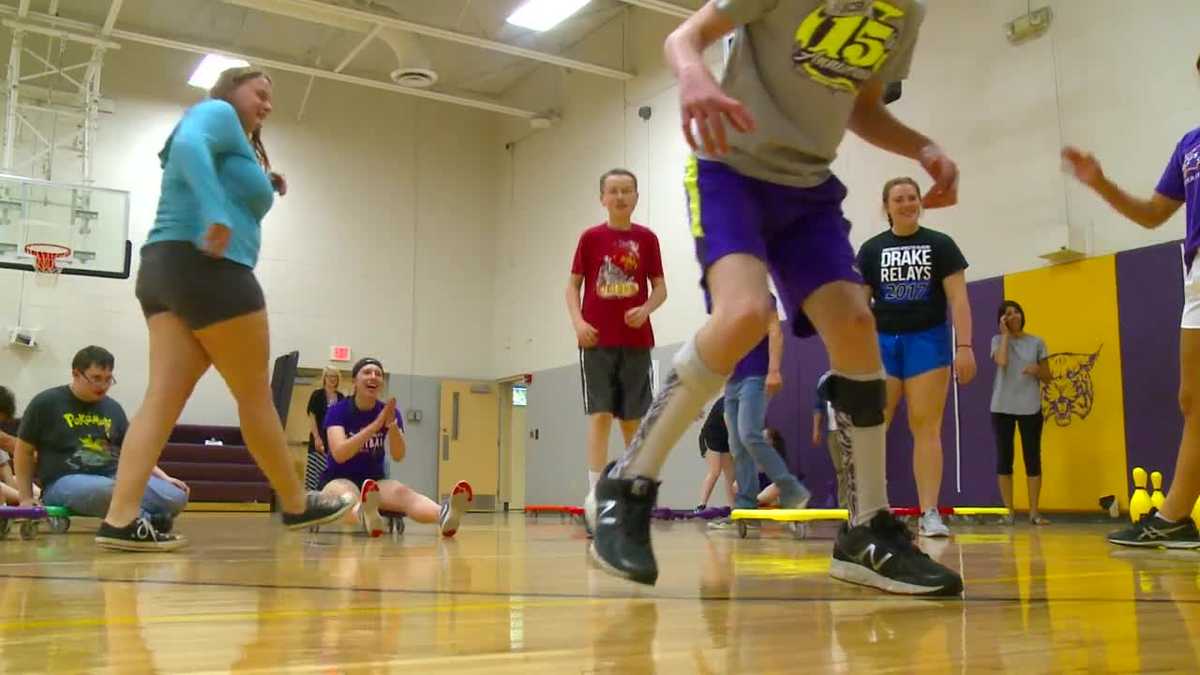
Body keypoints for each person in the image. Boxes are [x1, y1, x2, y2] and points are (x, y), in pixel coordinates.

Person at [588, 0, 964, 596]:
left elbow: (862, 109)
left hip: (808, 188)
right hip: (729, 172)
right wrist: (693, 76)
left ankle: (866, 531)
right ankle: (627, 485)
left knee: (856, 324)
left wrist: (923, 148)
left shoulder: (905, 13)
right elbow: (686, 37)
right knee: (745, 313)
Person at [97, 66, 353, 551]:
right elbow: (193, 148)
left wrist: (264, 182)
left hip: (162, 270)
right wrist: (216, 210)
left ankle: (120, 519)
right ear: (229, 91)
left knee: (162, 400)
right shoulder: (213, 113)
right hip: (212, 271)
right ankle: (297, 504)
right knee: (255, 396)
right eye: (259, 93)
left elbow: (202, 159)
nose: (267, 104)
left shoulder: (230, 139)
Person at [1063, 51, 1200, 548]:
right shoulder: (1190, 143)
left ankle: (1173, 515)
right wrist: (1100, 183)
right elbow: (1151, 214)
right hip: (1196, 274)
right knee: (1193, 399)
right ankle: (1175, 520)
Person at [858, 176, 975, 537]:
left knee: (926, 427)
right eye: (899, 199)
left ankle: (929, 513)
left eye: (912, 197)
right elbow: (860, 305)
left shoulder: (941, 245)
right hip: (881, 343)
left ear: (919, 202)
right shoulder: (871, 249)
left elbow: (958, 299)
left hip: (928, 340)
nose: (907, 203)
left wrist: (965, 347)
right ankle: (871, 512)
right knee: (875, 428)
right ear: (886, 206)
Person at [566, 169, 667, 504]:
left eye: (627, 190)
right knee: (600, 415)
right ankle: (595, 494)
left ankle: (634, 491)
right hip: (596, 340)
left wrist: (647, 308)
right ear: (603, 199)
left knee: (632, 421)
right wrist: (579, 323)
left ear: (636, 197)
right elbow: (572, 286)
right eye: (614, 191)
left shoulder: (648, 239)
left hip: (636, 342)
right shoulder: (590, 238)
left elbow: (661, 289)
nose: (620, 196)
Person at [12, 346, 188, 530]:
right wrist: (25, 498)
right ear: (76, 374)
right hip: (64, 481)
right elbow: (24, 451)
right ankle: (143, 521)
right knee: (111, 490)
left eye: (108, 379)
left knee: (176, 495)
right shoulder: (45, 403)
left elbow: (132, 451)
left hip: (113, 477)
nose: (103, 386)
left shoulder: (114, 408)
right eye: (96, 378)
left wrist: (165, 478)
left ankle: (141, 518)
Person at [319, 357, 473, 537]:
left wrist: (392, 427)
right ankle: (364, 515)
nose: (373, 377)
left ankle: (444, 515)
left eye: (378, 374)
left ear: (382, 383)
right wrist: (375, 426)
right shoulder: (338, 410)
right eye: (367, 372)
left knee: (403, 492)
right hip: (339, 478)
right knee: (346, 499)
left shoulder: (390, 412)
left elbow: (399, 455)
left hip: (373, 483)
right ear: (354, 381)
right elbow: (339, 454)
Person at [724, 296, 810, 511]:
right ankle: (745, 504)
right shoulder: (725, 300)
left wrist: (774, 370)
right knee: (736, 445)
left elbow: (775, 331)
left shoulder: (762, 296)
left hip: (756, 374)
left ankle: (791, 489)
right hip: (731, 380)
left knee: (749, 435)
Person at [990, 300, 1050, 525]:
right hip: (1002, 407)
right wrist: (1004, 335)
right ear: (1002, 320)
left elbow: (1048, 376)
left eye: (1016, 312)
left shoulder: (1036, 342)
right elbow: (1002, 361)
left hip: (1030, 407)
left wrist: (1037, 370)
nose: (1013, 316)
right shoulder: (997, 341)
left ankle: (1034, 512)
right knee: (1005, 459)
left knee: (1032, 458)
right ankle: (1009, 512)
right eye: (1007, 314)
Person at [306, 367, 345, 491]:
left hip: (334, 442)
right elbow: (312, 418)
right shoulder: (317, 395)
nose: (332, 379)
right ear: (324, 378)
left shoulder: (341, 397)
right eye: (330, 376)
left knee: (332, 474)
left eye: (335, 376)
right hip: (319, 440)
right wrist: (317, 438)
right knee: (315, 475)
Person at [811, 371, 846, 507]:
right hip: (833, 431)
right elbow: (819, 406)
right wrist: (816, 430)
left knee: (851, 469)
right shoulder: (825, 379)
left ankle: (858, 506)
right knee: (840, 471)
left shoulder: (853, 375)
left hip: (851, 430)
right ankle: (845, 506)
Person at [697, 397, 735, 511]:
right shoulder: (726, 401)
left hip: (724, 440)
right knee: (715, 471)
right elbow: (729, 423)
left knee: (730, 474)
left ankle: (733, 507)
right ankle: (701, 505)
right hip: (711, 437)